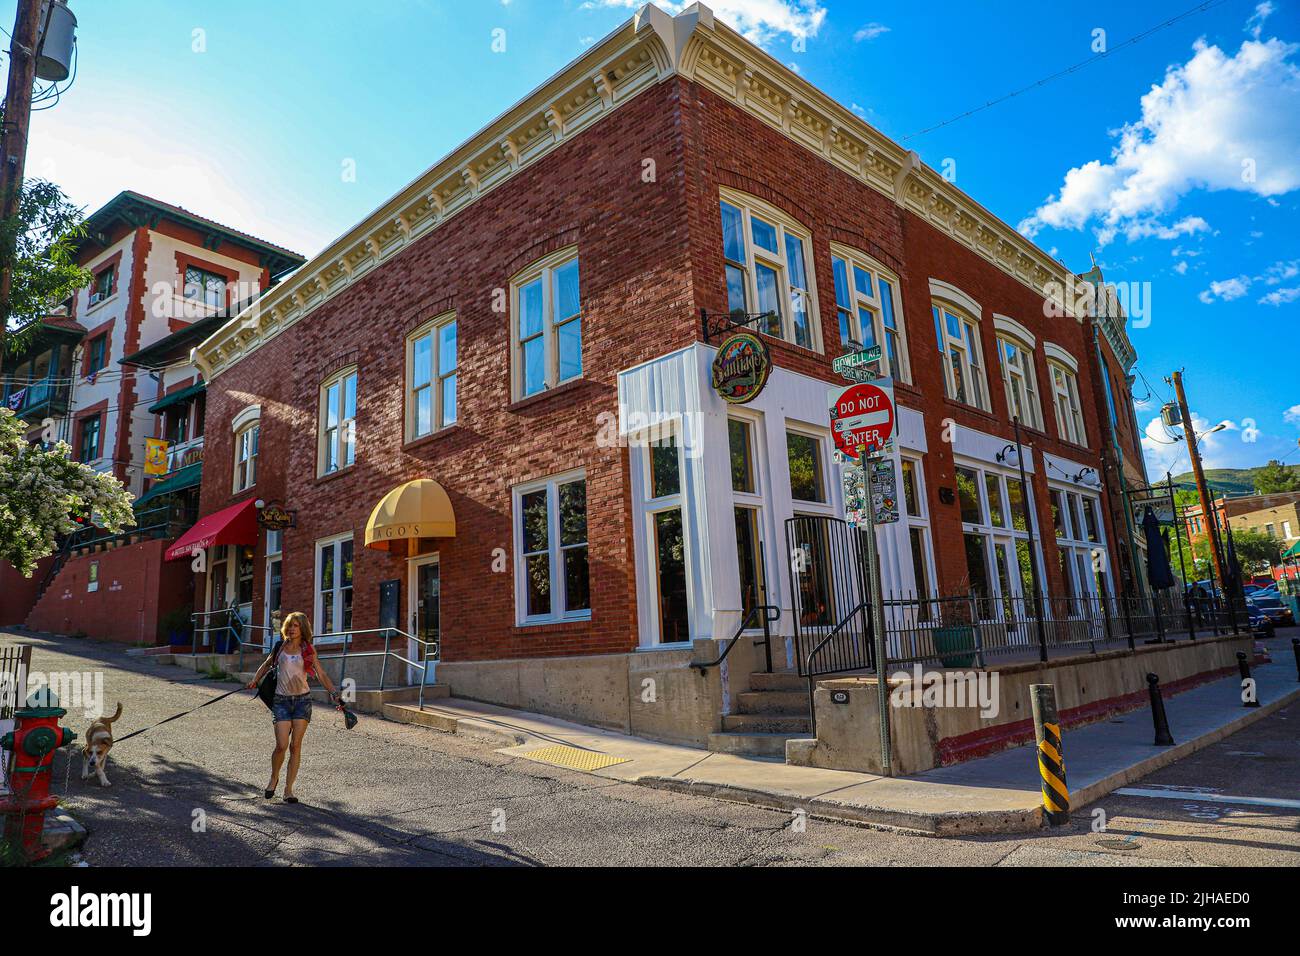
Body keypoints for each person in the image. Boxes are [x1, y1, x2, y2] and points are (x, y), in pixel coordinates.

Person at [247, 611, 341, 803]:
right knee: (281, 745)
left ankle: (288, 790)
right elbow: (266, 665)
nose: (291, 628)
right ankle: (274, 778)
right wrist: (255, 680)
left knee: (295, 746)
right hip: (281, 700)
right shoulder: (280, 647)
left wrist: (335, 694)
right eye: (289, 625)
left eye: (295, 625)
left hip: (302, 702)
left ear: (302, 628)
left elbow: (321, 674)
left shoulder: (308, 650)